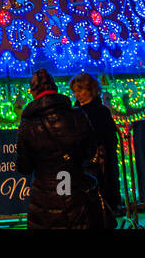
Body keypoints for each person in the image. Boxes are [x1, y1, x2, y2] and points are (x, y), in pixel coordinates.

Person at [14, 68, 101, 229]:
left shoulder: (27, 124)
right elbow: (90, 151)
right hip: (75, 190)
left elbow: (24, 166)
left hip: (44, 197)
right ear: (55, 89)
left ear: (33, 92)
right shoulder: (77, 114)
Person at [69, 72, 123, 220]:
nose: (77, 94)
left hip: (101, 159)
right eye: (75, 91)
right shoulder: (74, 112)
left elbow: (110, 137)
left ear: (90, 90)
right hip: (83, 159)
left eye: (80, 90)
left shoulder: (101, 111)